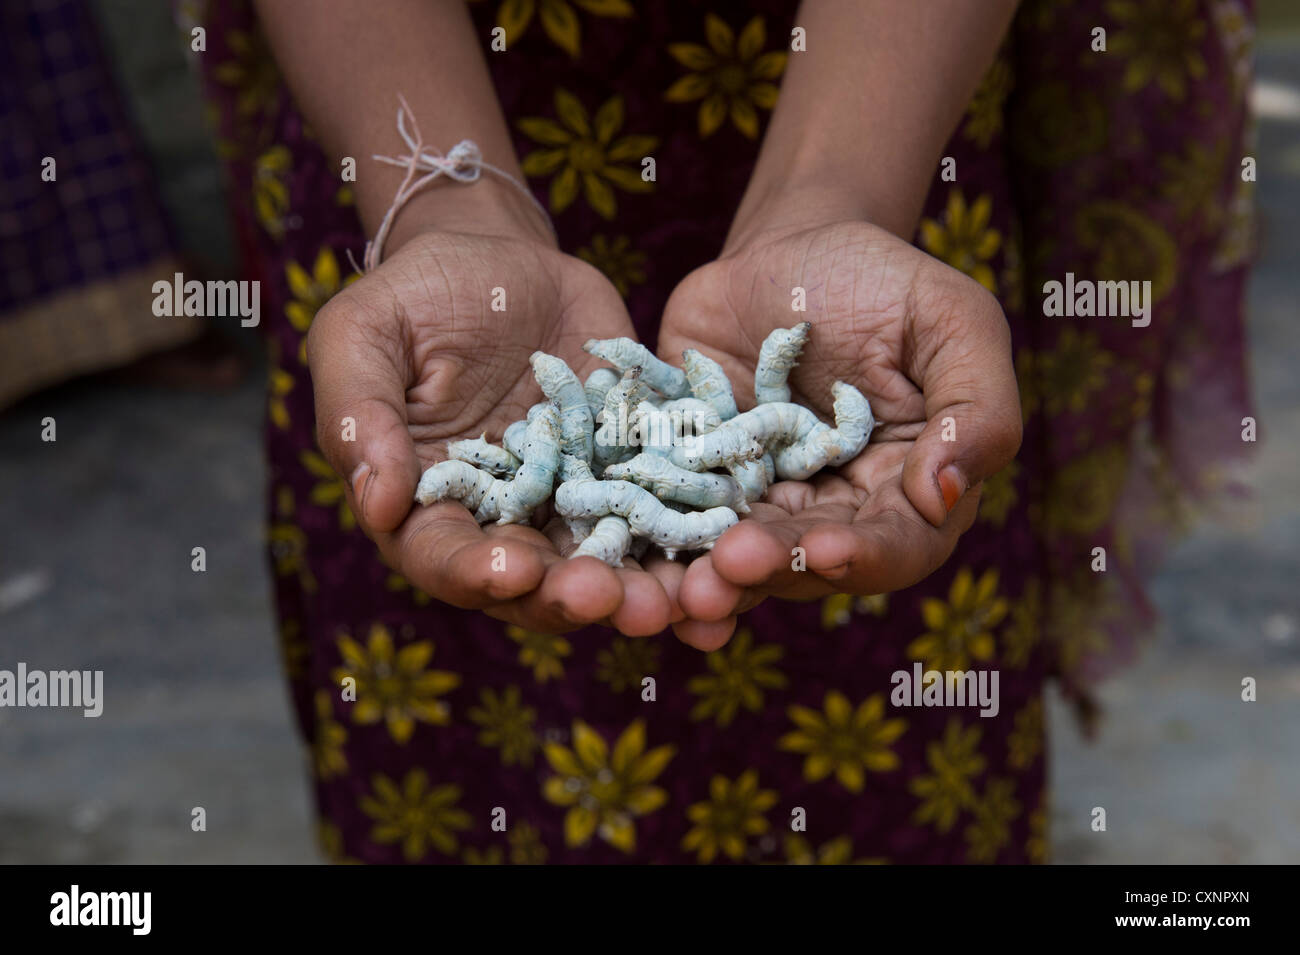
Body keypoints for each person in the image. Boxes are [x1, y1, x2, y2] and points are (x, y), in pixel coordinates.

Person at [196, 0, 1255, 863]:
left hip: (887, 86)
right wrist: (439, 206)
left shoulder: (735, 418)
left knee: (880, 723)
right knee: (460, 722)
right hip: (399, 122)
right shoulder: (562, 424)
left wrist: (836, 199)